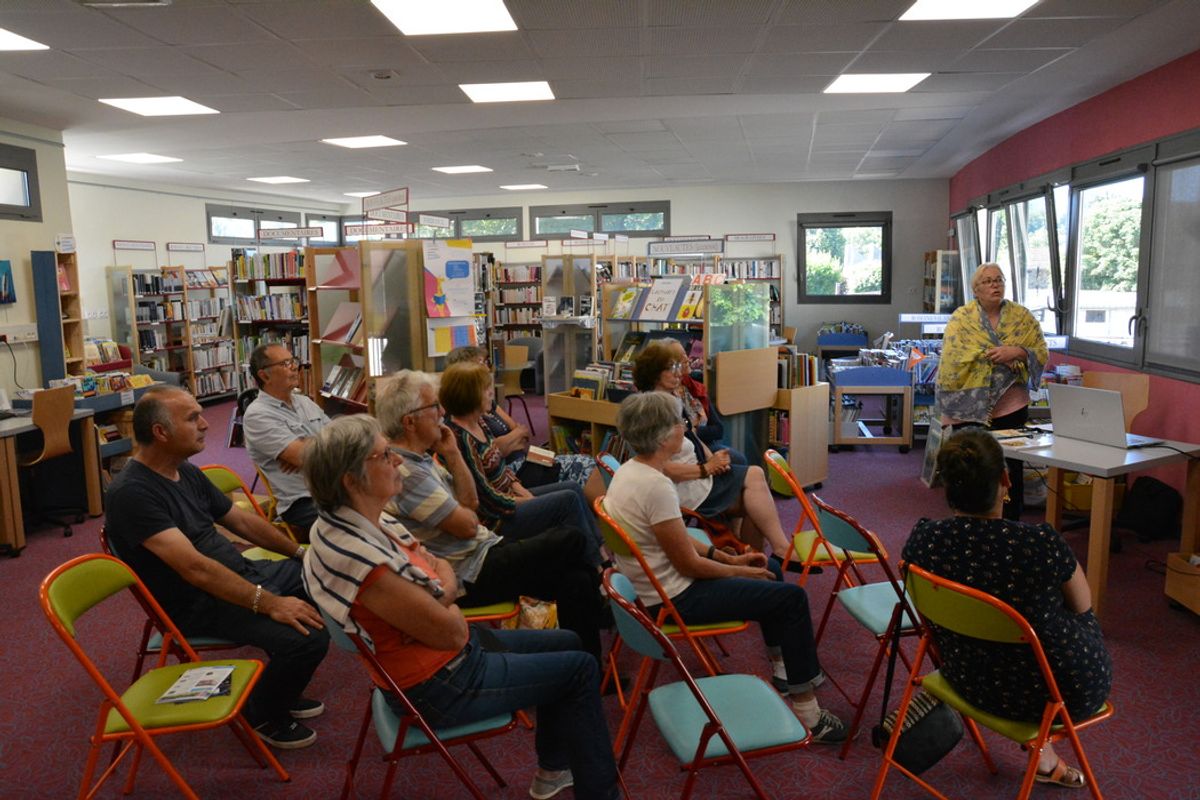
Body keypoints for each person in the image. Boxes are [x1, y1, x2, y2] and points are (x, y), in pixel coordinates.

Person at [300, 415, 621, 800]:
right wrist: (444, 590)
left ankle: (554, 769)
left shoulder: (355, 522)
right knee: (581, 667)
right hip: (439, 683)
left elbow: (436, 566)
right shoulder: (370, 565)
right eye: (385, 456)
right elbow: (451, 627)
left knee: (568, 639)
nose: (398, 461)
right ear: (351, 481)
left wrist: (441, 589)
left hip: (438, 658)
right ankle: (601, 793)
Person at [603, 392, 846, 743]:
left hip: (662, 587)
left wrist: (730, 558)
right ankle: (809, 714)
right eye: (678, 423)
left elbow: (679, 542)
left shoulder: (631, 471)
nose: (683, 428)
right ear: (663, 436)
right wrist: (741, 572)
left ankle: (785, 669)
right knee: (791, 598)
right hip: (676, 599)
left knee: (773, 574)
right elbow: (688, 562)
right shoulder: (656, 487)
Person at [106, 385, 329, 750]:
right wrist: (270, 603)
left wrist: (301, 555)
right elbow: (196, 570)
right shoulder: (132, 494)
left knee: (320, 580)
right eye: (192, 418)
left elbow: (241, 523)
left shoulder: (183, 471)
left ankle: (279, 689)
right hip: (198, 602)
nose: (206, 424)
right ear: (160, 433)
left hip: (235, 575)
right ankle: (263, 712)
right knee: (309, 636)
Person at [903, 428, 1112, 790]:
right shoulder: (1040, 545)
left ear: (948, 485)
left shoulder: (924, 540)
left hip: (966, 677)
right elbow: (1083, 606)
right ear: (1005, 480)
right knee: (1068, 621)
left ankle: (1043, 755)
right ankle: (1042, 751)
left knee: (1014, 633)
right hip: (1056, 694)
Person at [377, 370, 606, 662]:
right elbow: (469, 523)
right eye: (433, 407)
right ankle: (601, 598)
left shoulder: (423, 458)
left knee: (576, 579)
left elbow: (470, 502)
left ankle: (587, 665)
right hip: (469, 573)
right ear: (410, 422)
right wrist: (470, 511)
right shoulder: (409, 474)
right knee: (572, 538)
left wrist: (453, 455)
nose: (441, 413)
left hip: (482, 551)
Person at [631, 343, 791, 561]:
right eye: (671, 367)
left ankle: (755, 560)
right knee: (755, 478)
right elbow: (660, 467)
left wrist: (713, 459)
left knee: (755, 503)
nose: (678, 372)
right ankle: (774, 552)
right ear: (655, 373)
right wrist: (706, 468)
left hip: (698, 478)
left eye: (678, 365)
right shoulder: (653, 411)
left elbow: (693, 436)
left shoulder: (673, 401)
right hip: (685, 489)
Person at [439, 361, 605, 564]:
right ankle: (597, 565)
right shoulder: (461, 438)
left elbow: (502, 469)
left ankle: (600, 553)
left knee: (573, 488)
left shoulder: (479, 423)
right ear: (470, 394)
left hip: (509, 499)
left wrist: (524, 492)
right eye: (485, 389)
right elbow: (487, 500)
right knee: (568, 499)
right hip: (497, 518)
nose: (491, 394)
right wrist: (530, 501)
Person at [936, 263, 1048, 520]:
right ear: (976, 290)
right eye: (987, 281)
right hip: (968, 406)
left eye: (999, 279)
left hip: (1011, 403)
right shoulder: (961, 319)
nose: (995, 285)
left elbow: (1041, 351)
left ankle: (1010, 520)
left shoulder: (1022, 317)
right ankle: (966, 517)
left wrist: (1018, 352)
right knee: (969, 464)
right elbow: (954, 359)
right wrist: (994, 355)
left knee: (1010, 464)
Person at [445, 345, 598, 489]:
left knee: (577, 461)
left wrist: (509, 440)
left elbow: (523, 433)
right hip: (511, 470)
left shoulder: (488, 403)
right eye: (479, 363)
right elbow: (491, 453)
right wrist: (512, 438)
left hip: (527, 456)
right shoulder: (468, 413)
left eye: (485, 362)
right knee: (582, 464)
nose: (486, 367)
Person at [243, 342, 331, 537]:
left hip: (334, 487)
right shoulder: (257, 415)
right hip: (304, 501)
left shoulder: (304, 401)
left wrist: (310, 449)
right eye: (285, 364)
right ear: (264, 375)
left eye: (293, 361)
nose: (294, 367)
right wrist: (317, 447)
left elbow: (340, 438)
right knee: (362, 524)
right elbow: (302, 457)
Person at [655, 338, 745, 463]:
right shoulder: (667, 396)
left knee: (737, 458)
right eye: (680, 357)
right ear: (668, 365)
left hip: (707, 444)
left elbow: (719, 429)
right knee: (737, 460)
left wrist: (695, 431)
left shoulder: (693, 388)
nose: (687, 359)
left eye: (685, 353)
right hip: (688, 450)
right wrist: (693, 433)